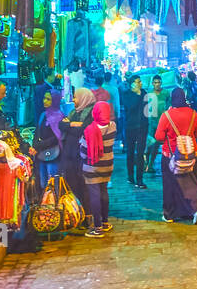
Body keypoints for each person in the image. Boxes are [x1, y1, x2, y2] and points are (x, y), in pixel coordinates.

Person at [154, 87, 197, 224]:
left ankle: (170, 214)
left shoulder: (167, 115)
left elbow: (159, 136)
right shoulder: (193, 114)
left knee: (170, 184)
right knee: (191, 182)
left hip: (171, 156)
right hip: (190, 154)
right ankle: (193, 210)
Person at [80, 100, 116, 238]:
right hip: (107, 166)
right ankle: (105, 222)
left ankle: (97, 227)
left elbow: (83, 152)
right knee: (104, 192)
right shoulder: (113, 126)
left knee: (94, 195)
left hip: (92, 167)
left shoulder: (88, 130)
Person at [59, 88, 94, 219]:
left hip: (83, 154)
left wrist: (72, 126)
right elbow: (61, 125)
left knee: (84, 184)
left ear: (83, 97)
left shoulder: (91, 112)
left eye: (75, 97)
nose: (73, 100)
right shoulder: (74, 112)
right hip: (70, 153)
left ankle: (88, 213)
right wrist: (74, 124)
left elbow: (85, 129)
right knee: (72, 183)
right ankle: (77, 213)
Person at [30, 89, 67, 188]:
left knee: (53, 184)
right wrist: (34, 146)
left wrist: (38, 146)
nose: (44, 101)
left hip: (54, 155)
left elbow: (57, 138)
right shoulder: (43, 114)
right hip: (42, 153)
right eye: (44, 98)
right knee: (43, 183)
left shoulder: (60, 117)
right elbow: (37, 132)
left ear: (55, 101)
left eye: (48, 99)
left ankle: (53, 203)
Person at [121, 75, 148, 189]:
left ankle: (140, 179)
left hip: (142, 126)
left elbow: (146, 107)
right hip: (130, 126)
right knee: (130, 152)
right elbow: (130, 106)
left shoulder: (144, 92)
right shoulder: (126, 94)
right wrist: (137, 95)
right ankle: (130, 176)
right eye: (138, 82)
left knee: (140, 153)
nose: (140, 83)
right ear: (132, 83)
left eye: (140, 81)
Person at [144, 74, 170, 177]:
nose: (157, 84)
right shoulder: (149, 94)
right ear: (152, 83)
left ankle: (150, 165)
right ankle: (146, 162)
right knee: (149, 144)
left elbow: (169, 107)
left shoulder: (166, 93)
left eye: (158, 82)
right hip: (151, 123)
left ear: (161, 83)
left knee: (156, 145)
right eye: (155, 83)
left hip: (162, 123)